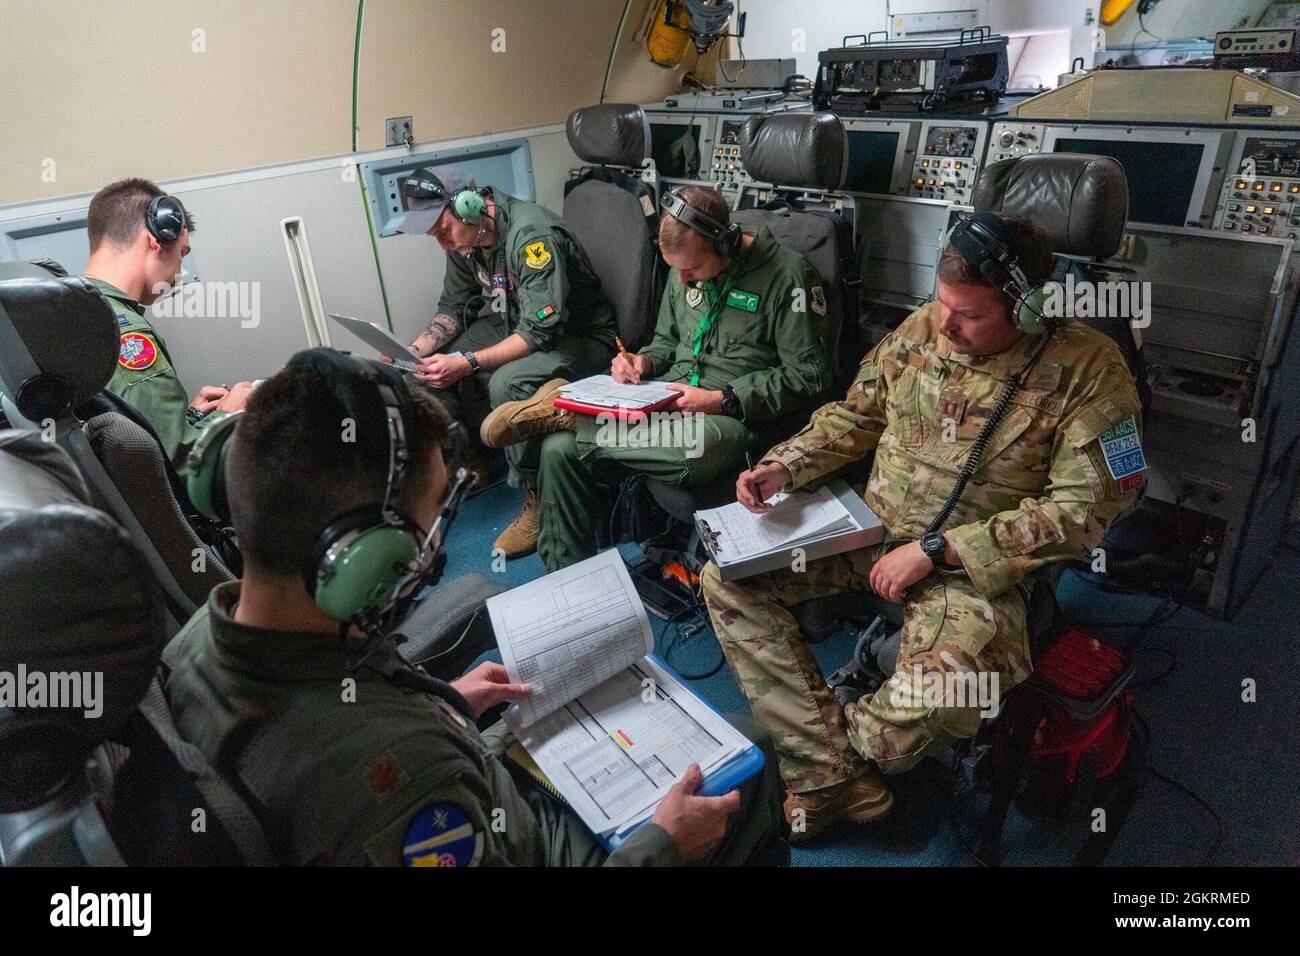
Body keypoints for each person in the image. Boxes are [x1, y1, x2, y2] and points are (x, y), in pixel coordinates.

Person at [162, 348, 787, 865]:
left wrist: (449, 701)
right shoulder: (405, 786)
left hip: (454, 765)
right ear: (366, 560)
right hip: (519, 838)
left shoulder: (197, 636)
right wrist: (664, 845)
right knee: (749, 748)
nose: (432, 552)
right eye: (428, 524)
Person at [701, 213, 1146, 841]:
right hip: (867, 532)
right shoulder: (921, 329)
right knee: (726, 578)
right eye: (942, 305)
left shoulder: (1092, 370)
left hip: (975, 572)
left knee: (931, 708)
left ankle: (831, 765)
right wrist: (786, 464)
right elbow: (857, 414)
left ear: (1027, 311)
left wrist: (940, 549)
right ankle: (832, 775)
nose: (946, 325)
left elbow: (1089, 509)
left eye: (968, 315)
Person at [479, 185, 833, 572]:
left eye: (692, 271)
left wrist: (720, 398)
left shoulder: (789, 277)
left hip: (734, 418)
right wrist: (642, 362)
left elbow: (808, 376)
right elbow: (665, 342)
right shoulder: (684, 268)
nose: (681, 281)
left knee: (693, 447)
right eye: (674, 269)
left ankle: (569, 413)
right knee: (557, 451)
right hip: (665, 399)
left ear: (725, 245)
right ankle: (568, 581)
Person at [393, 166, 618, 558]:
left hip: (580, 338)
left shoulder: (533, 238)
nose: (443, 244)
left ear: (469, 205)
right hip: (514, 323)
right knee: (424, 373)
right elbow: (454, 305)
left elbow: (538, 333)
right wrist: (417, 348)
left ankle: (536, 500)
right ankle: (471, 462)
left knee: (505, 382)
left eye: (443, 231)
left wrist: (468, 362)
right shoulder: (467, 239)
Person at [82, 177, 251, 463]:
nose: (180, 272)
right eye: (182, 254)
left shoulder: (82, 310)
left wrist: (190, 417)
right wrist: (228, 415)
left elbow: (140, 436)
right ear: (154, 239)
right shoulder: (126, 335)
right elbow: (181, 466)